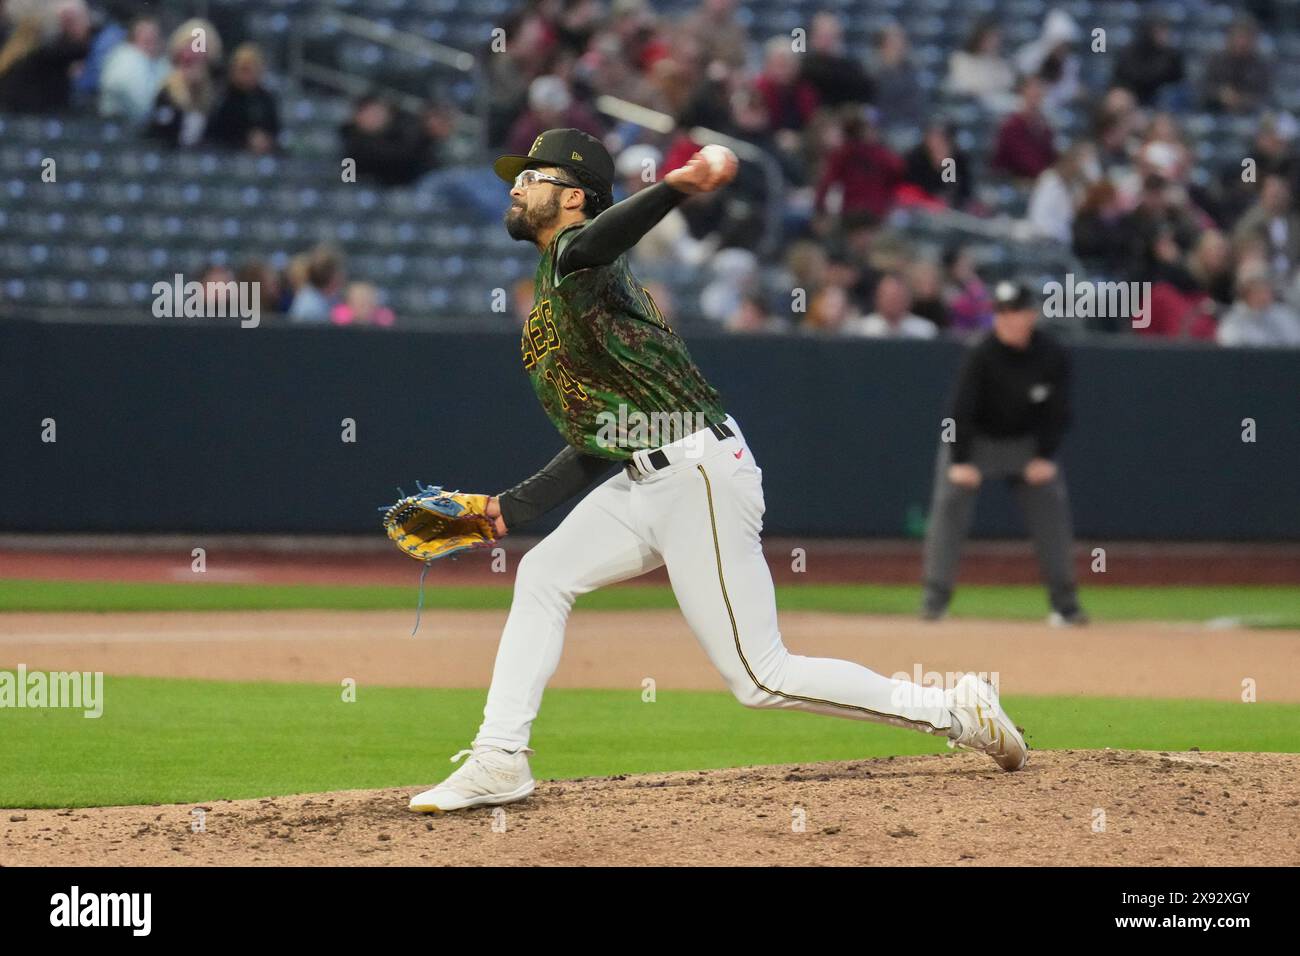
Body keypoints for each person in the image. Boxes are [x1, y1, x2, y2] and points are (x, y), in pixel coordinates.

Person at [406, 129, 1028, 813]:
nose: (516, 186)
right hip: (647, 473)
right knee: (543, 576)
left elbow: (598, 240)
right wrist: (508, 510)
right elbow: (604, 437)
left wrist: (675, 185)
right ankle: (500, 758)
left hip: (696, 471)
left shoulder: (581, 258)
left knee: (761, 676)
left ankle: (956, 711)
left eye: (534, 175)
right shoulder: (558, 294)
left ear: (575, 196)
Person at [920, 280, 1087, 627]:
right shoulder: (980, 354)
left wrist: (1044, 455)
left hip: (1026, 445)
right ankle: (934, 601)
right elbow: (958, 412)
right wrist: (961, 461)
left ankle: (1065, 604)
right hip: (976, 442)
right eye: (1002, 313)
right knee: (949, 505)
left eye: (1016, 313)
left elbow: (1058, 414)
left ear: (1031, 315)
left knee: (1051, 506)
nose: (1008, 321)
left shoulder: (1052, 355)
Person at [207, 43, 279, 154]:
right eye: (244, 69)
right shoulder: (222, 98)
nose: (248, 74)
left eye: (253, 69)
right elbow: (216, 134)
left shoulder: (267, 99)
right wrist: (246, 140)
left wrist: (266, 141)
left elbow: (275, 130)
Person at [98, 15, 165, 125]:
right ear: (134, 37)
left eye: (153, 34)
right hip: (120, 125)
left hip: (146, 125)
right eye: (144, 33)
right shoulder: (124, 58)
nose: (150, 36)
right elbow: (139, 104)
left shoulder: (161, 64)